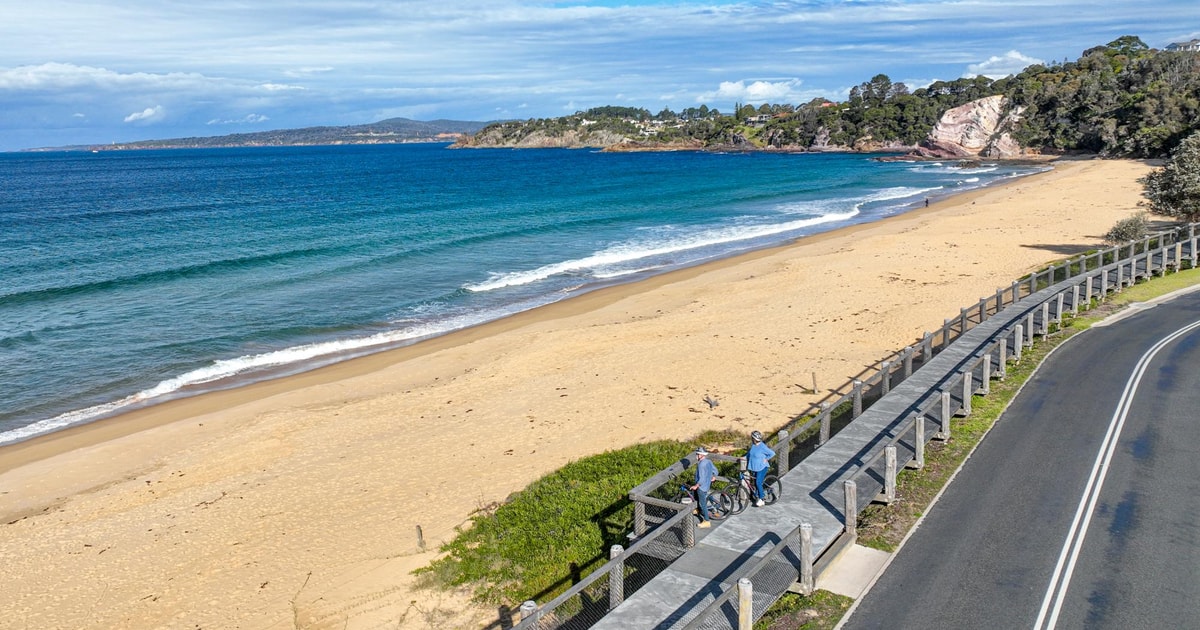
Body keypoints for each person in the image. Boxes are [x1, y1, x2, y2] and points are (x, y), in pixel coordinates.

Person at [691, 446, 718, 528]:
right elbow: (716, 470)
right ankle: (697, 510)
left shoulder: (701, 465)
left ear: (701, 455)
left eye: (697, 454)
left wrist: (696, 485)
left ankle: (706, 521)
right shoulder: (708, 461)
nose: (696, 455)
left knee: (703, 504)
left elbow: (701, 479)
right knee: (697, 497)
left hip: (701, 487)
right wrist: (714, 476)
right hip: (707, 485)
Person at [746, 430, 776, 507]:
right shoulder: (753, 445)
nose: (751, 439)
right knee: (755, 482)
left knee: (758, 482)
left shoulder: (762, 446)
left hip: (762, 467)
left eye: (752, 438)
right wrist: (743, 458)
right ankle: (758, 493)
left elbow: (772, 453)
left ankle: (762, 499)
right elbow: (749, 454)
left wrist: (766, 459)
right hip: (754, 467)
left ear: (754, 438)